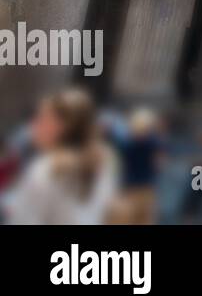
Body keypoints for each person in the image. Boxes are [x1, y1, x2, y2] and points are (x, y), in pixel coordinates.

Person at [2, 89, 119, 225]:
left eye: (42, 118)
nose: (34, 125)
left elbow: (24, 220)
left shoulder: (47, 168)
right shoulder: (103, 162)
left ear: (62, 126)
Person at [110, 107, 164, 224]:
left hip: (128, 189)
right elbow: (158, 165)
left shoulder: (125, 144)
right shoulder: (154, 143)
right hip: (146, 188)